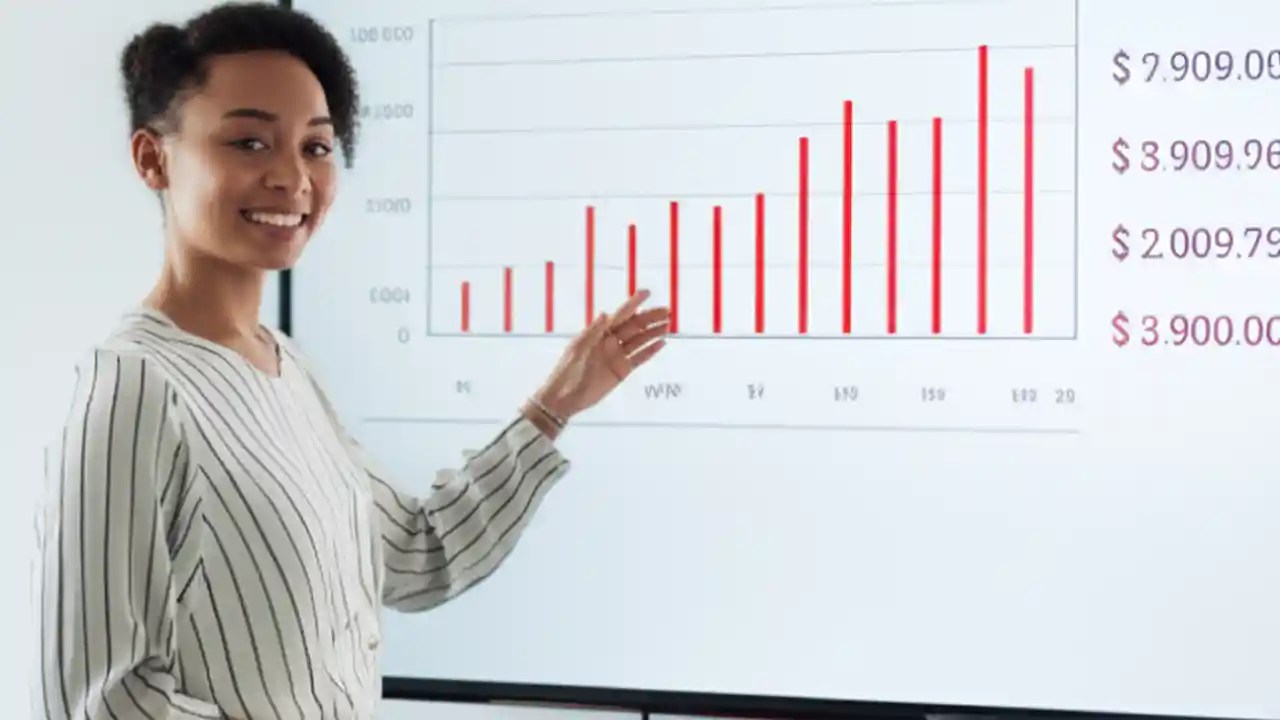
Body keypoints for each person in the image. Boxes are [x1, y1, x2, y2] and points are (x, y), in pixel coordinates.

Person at [32, 3, 671, 719]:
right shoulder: (134, 389)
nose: (292, 178)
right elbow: (98, 701)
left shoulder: (285, 369)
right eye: (248, 143)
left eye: (315, 147)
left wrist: (555, 406)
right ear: (153, 158)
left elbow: (416, 556)